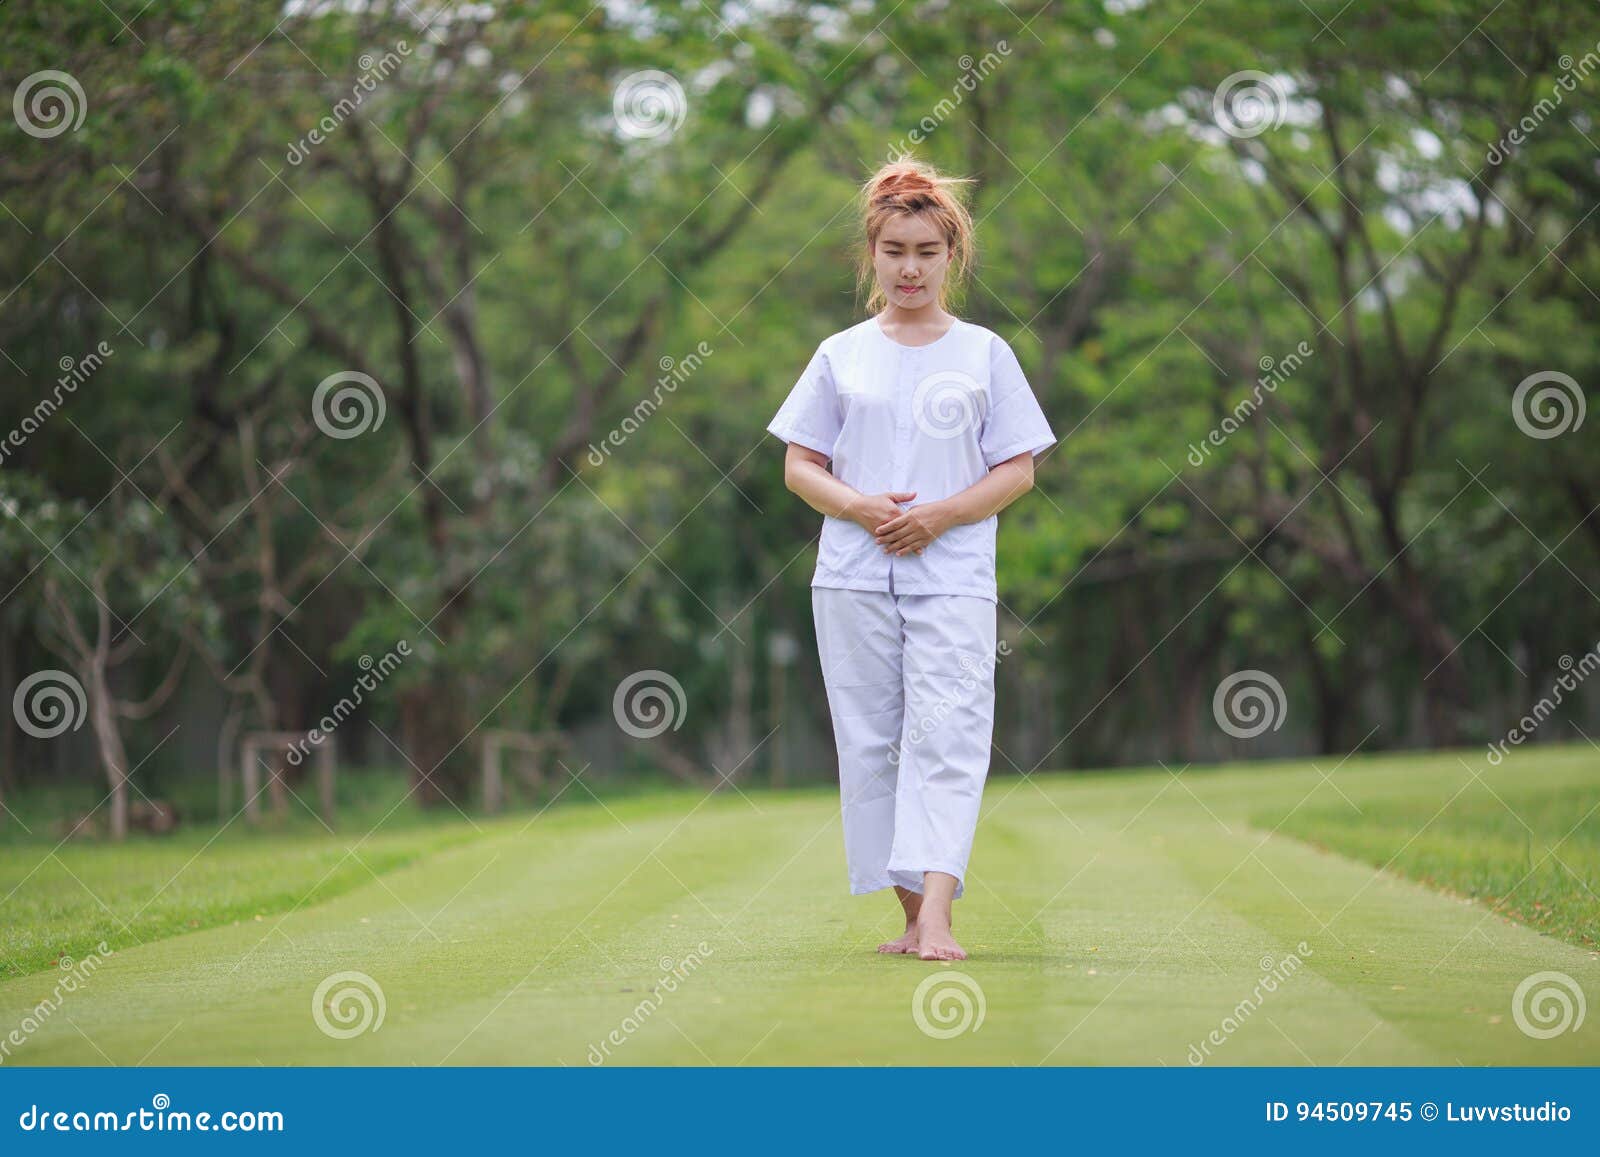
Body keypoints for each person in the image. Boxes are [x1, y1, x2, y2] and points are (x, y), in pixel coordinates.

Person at [766, 157, 1056, 961]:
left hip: (953, 577)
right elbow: (799, 465)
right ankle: (905, 912)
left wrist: (940, 517)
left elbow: (1020, 467)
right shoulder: (839, 354)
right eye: (895, 249)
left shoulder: (985, 353)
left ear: (951, 257)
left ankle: (937, 916)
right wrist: (858, 505)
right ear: (872, 252)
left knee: (950, 734)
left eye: (927, 251)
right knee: (869, 743)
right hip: (852, 578)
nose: (910, 267)